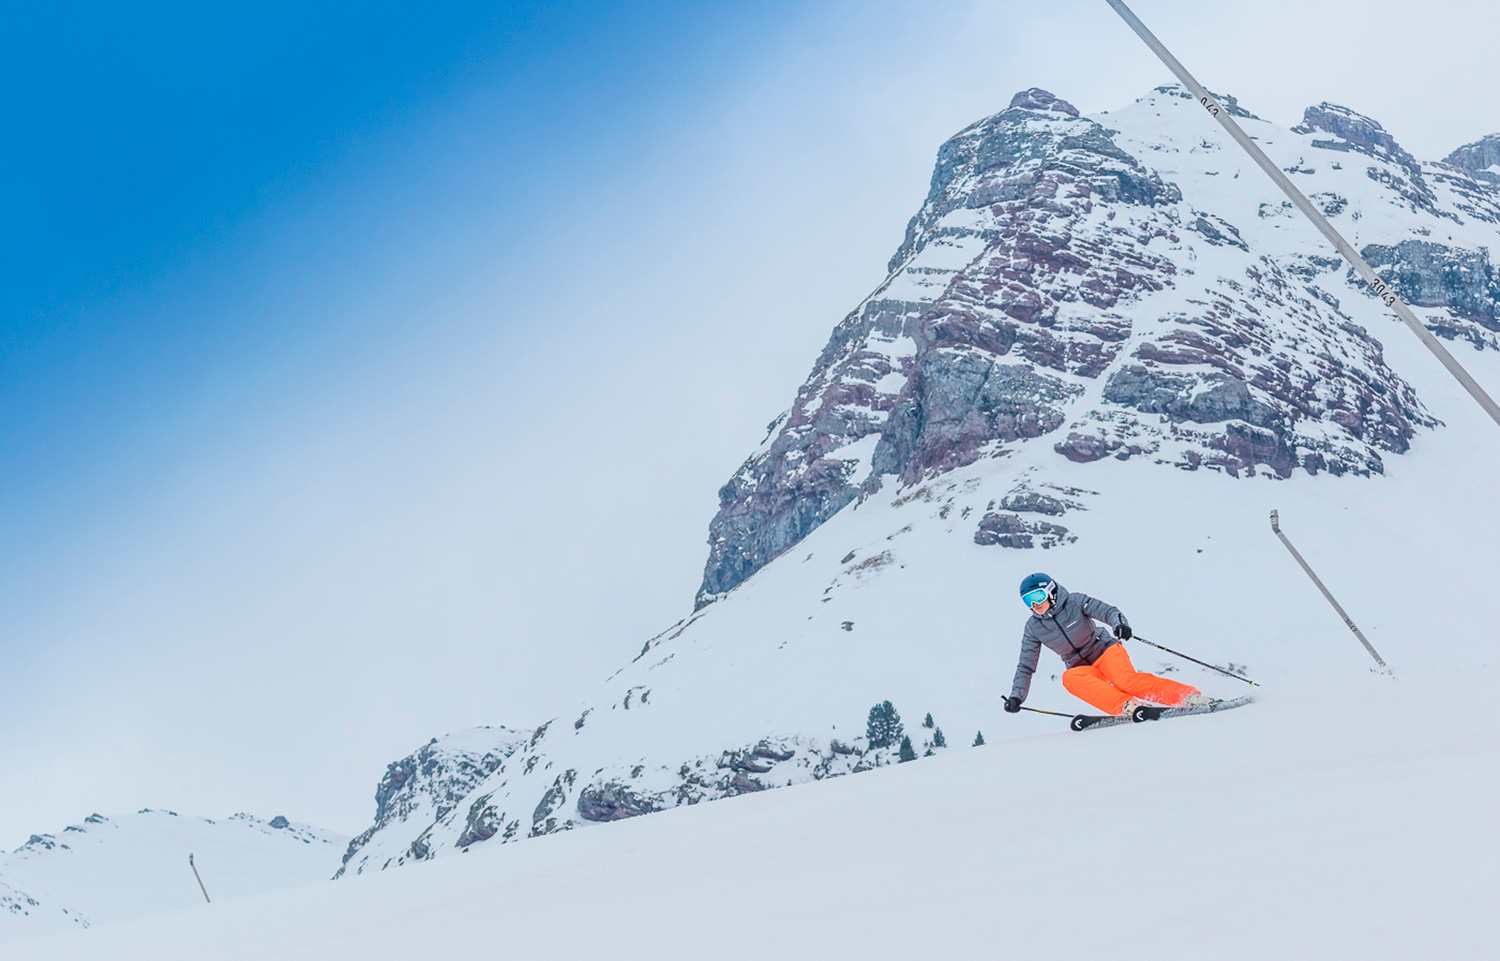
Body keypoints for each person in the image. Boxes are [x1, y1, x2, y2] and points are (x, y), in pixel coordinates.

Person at [1003, 573, 1202, 717]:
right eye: (1027, 600)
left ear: (1050, 592)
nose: (1034, 604)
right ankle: (1127, 706)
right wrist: (1017, 697)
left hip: (1105, 650)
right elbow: (1026, 666)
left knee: (1124, 681)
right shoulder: (1033, 627)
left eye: (1036, 596)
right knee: (1069, 679)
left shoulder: (1075, 601)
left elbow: (1108, 611)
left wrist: (1120, 624)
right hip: (1081, 667)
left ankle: (1187, 696)